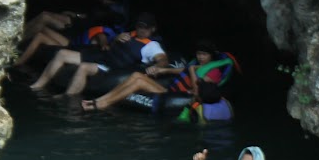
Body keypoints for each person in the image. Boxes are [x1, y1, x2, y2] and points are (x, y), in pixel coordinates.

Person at [29, 14, 162, 97]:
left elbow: (163, 60)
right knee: (62, 53)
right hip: (102, 56)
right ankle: (37, 86)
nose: (142, 30)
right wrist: (117, 38)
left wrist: (158, 67)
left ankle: (67, 97)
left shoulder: (152, 46)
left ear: (152, 29)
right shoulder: (130, 34)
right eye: (140, 26)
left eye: (146, 28)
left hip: (113, 68)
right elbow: (108, 43)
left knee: (84, 67)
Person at [82, 41, 228, 113]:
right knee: (136, 75)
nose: (200, 57)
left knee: (138, 81)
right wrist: (163, 70)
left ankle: (101, 104)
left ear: (211, 56)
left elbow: (198, 93)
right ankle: (100, 101)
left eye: (204, 54)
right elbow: (181, 71)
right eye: (199, 54)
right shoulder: (196, 65)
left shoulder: (213, 73)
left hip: (175, 96)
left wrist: (191, 70)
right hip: (170, 90)